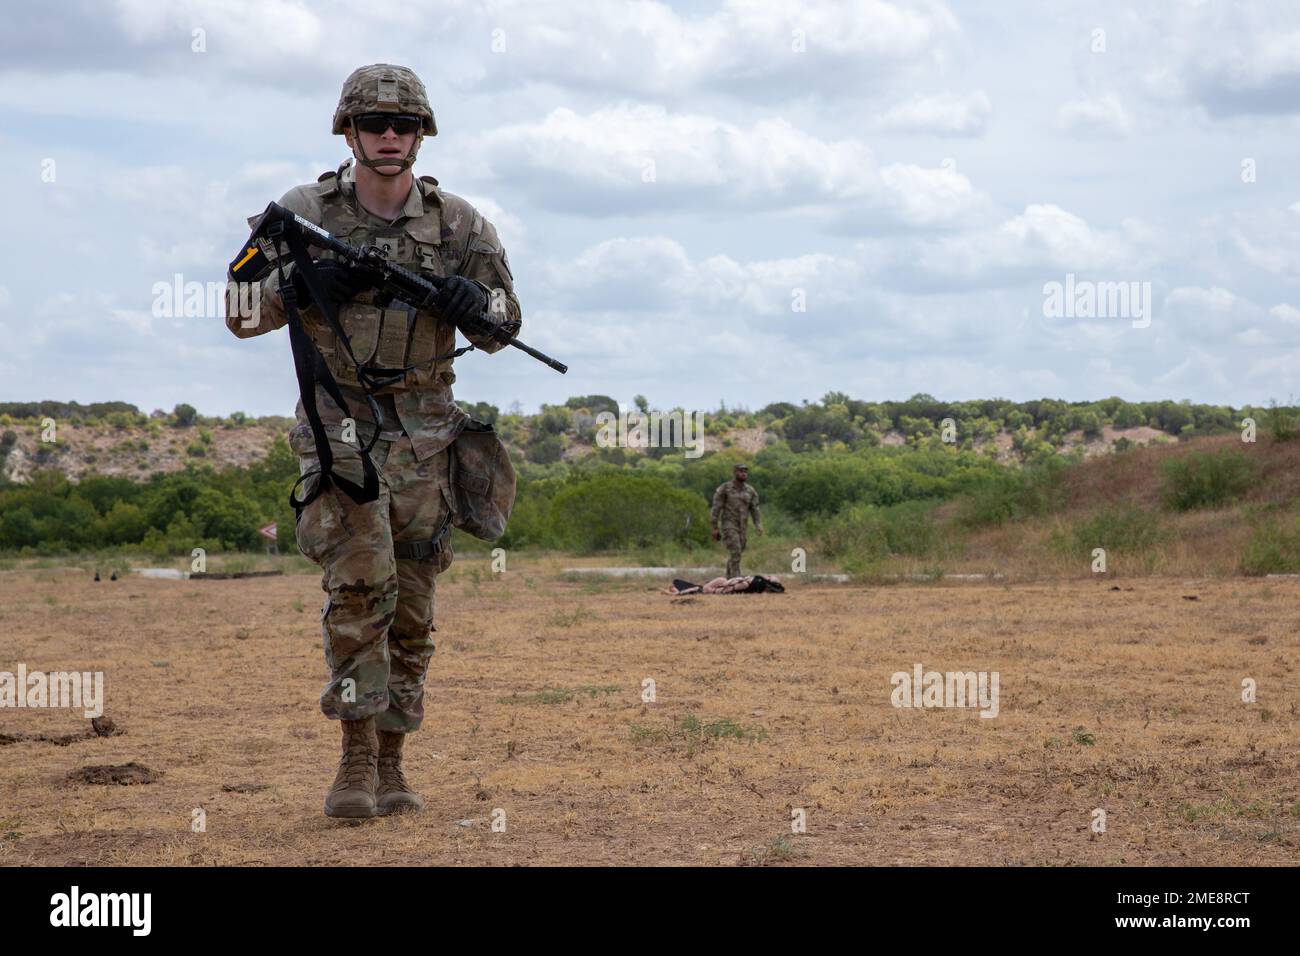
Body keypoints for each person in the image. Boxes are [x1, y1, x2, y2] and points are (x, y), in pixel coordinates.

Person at [223, 64, 521, 819]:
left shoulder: (458, 223)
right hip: (339, 431)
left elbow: (506, 325)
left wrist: (474, 302)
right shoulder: (299, 213)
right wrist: (309, 284)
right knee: (359, 590)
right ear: (347, 131)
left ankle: (393, 762)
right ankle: (353, 761)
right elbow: (238, 307)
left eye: (405, 126)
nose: (390, 138)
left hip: (426, 436)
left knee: (415, 607)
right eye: (375, 125)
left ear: (422, 134)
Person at [710, 464, 762, 578]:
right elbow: (716, 508)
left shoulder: (750, 491)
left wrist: (758, 525)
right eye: (741, 471)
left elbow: (755, 509)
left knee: (737, 553)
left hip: (743, 527)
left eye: (746, 471)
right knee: (736, 551)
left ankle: (729, 580)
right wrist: (714, 527)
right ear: (735, 472)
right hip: (729, 525)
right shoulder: (725, 488)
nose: (744, 473)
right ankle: (736, 579)